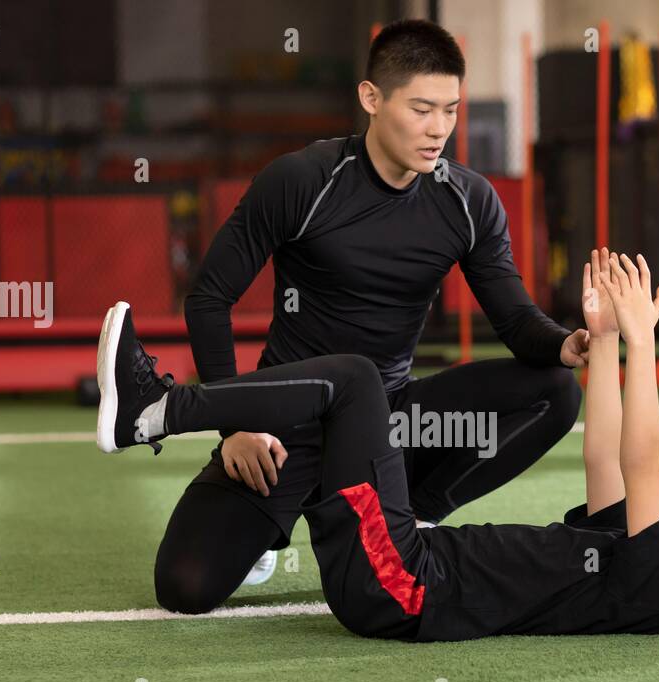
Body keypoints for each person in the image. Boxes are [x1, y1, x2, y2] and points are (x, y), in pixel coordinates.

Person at [99, 248, 659, 640]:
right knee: (353, 393)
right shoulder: (632, 567)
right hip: (400, 567)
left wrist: (643, 340)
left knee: (355, 382)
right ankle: (167, 417)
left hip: (401, 584)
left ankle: (159, 409)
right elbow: (604, 455)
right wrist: (604, 342)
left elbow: (643, 461)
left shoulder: (657, 593)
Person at [156, 19, 589, 612]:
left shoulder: (468, 201)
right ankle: (267, 529)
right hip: (284, 431)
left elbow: (515, 320)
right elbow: (209, 298)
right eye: (421, 109)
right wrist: (236, 425)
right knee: (184, 587)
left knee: (555, 391)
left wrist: (567, 344)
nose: (439, 130)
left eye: (451, 110)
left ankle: (413, 511)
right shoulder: (301, 180)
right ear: (371, 98)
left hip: (389, 427)